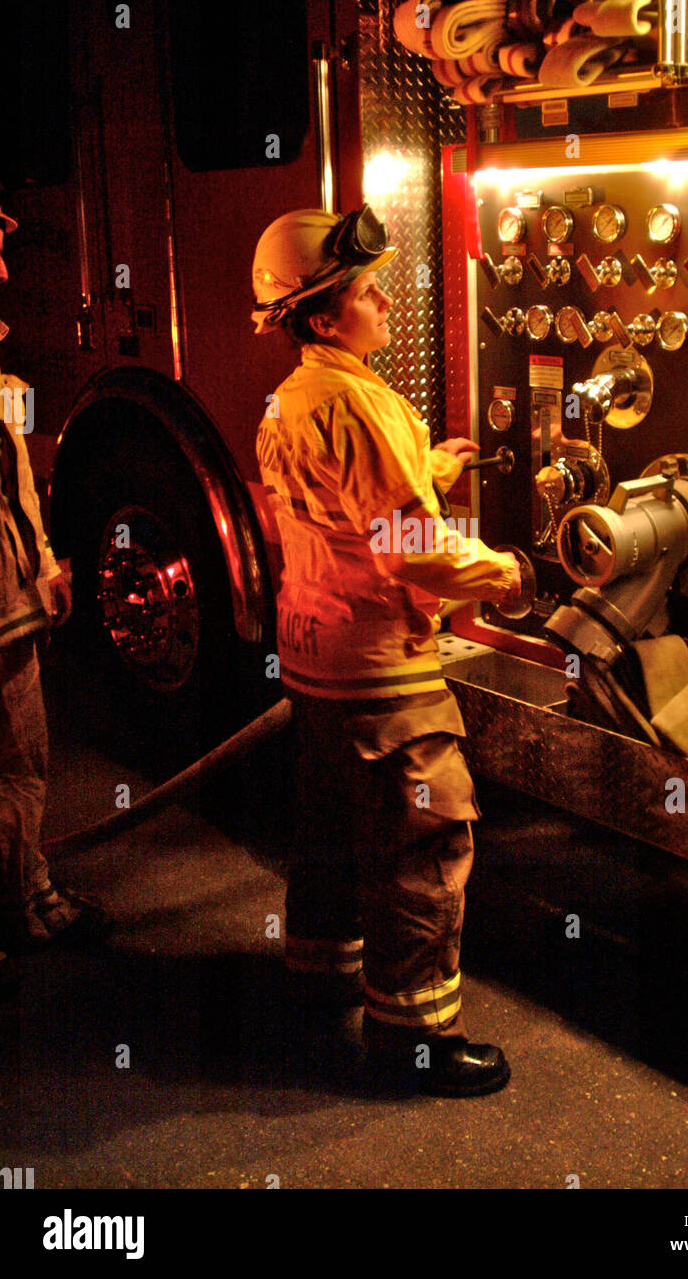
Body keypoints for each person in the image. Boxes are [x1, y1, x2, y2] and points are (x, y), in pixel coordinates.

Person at [253, 205, 522, 1096]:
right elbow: (407, 548)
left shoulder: (296, 396)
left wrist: (428, 467)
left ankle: (320, 975)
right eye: (370, 291)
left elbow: (336, 502)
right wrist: (502, 571)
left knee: (330, 828)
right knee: (422, 839)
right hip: (385, 674)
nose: (388, 303)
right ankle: (414, 1039)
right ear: (324, 316)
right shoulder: (360, 403)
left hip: (321, 664)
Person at [0, 179, 108, 1000]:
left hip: (10, 592)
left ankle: (26, 896)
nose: (1, 267)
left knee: (18, 762)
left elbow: (17, 485)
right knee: (10, 765)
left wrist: (44, 565)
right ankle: (11, 914)